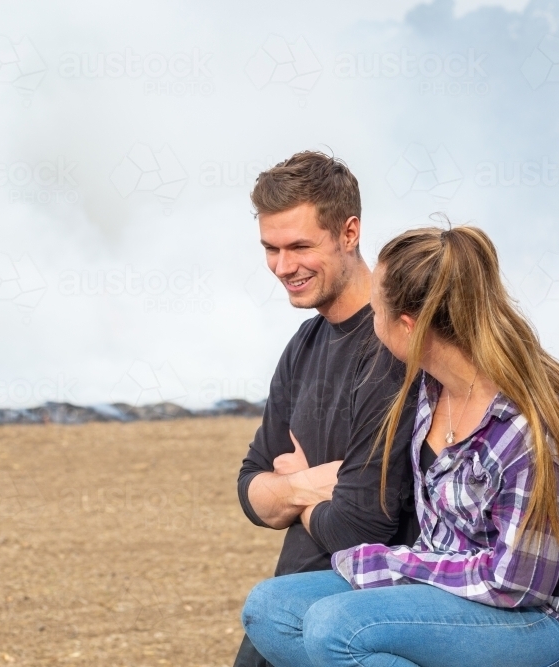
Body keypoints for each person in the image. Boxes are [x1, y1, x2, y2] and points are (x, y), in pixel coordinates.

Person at [241, 224, 559, 667]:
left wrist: (395, 565)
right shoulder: (430, 394)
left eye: (376, 311)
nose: (369, 322)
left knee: (337, 629)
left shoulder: (528, 429)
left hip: (538, 621)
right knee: (269, 611)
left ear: (408, 327)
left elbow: (516, 584)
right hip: (448, 590)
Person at [233, 152, 420, 667]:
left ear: (350, 231)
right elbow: (251, 490)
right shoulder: (305, 344)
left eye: (299, 246)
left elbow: (361, 527)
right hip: (287, 609)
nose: (283, 266)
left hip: (357, 621)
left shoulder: (394, 345)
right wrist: (309, 484)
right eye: (271, 248)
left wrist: (292, 491)